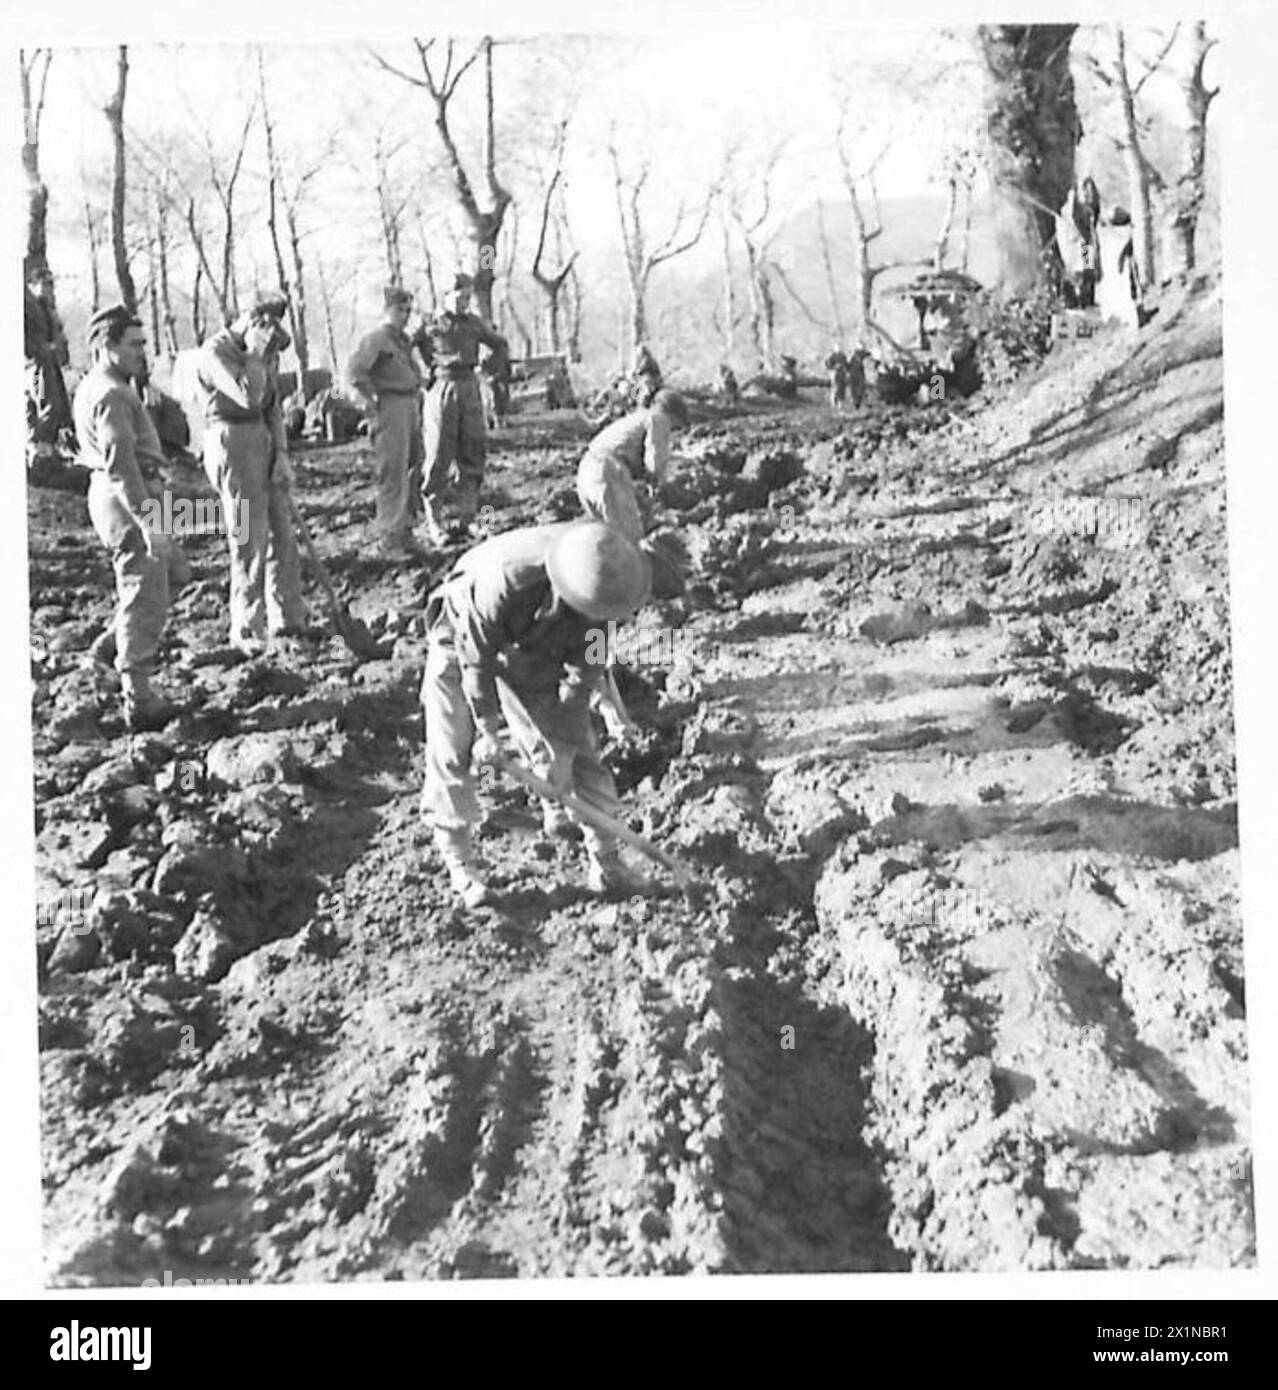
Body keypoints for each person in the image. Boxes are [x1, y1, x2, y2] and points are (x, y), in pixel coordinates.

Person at [420, 520, 654, 906]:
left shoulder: (609, 595)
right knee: (451, 741)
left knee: (580, 750)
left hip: (539, 642)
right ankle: (460, 864)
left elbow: (580, 684)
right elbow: (476, 662)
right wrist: (488, 732)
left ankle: (608, 862)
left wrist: (561, 752)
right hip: (464, 630)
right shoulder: (507, 582)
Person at [73, 305, 181, 731]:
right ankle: (138, 696)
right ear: (107, 345)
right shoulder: (112, 394)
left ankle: (107, 650)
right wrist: (150, 522)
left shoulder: (103, 385)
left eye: (144, 342)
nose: (143, 351)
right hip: (129, 498)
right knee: (143, 590)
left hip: (127, 493)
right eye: (134, 344)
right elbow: (122, 467)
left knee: (171, 576)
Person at [194, 293, 309, 657]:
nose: (269, 337)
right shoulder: (216, 353)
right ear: (247, 318)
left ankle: (287, 618)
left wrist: (283, 455)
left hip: (262, 437)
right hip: (231, 439)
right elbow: (247, 396)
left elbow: (271, 406)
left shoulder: (266, 352)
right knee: (248, 537)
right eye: (262, 326)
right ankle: (247, 627)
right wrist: (255, 356)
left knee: (283, 533)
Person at [413, 273, 509, 546]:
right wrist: (420, 375)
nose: (465, 302)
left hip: (470, 388)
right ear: (445, 296)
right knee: (438, 456)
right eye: (460, 296)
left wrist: (489, 371)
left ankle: (469, 518)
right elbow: (404, 346)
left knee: (473, 452)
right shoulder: (430, 322)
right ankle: (435, 522)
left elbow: (499, 344)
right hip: (441, 388)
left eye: (468, 297)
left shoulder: (473, 323)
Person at [347, 285, 426, 556]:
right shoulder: (376, 339)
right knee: (392, 472)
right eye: (399, 310)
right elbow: (355, 374)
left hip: (410, 405)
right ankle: (389, 538)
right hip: (390, 408)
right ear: (386, 310)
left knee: (412, 468)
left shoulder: (401, 341)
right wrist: (373, 405)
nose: (405, 315)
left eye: (408, 310)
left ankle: (405, 532)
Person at [576, 388, 689, 545]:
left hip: (586, 471)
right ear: (674, 415)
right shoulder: (659, 418)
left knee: (609, 543)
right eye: (675, 426)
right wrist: (659, 487)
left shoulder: (637, 417)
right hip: (607, 471)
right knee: (631, 543)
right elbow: (655, 463)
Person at [24, 262, 73, 457]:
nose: (48, 288)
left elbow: (59, 337)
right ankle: (39, 448)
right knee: (42, 402)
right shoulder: (28, 307)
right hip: (35, 365)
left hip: (49, 363)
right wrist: (37, 351)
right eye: (44, 284)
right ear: (33, 284)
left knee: (57, 404)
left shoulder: (49, 310)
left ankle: (51, 447)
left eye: (51, 284)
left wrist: (58, 351)